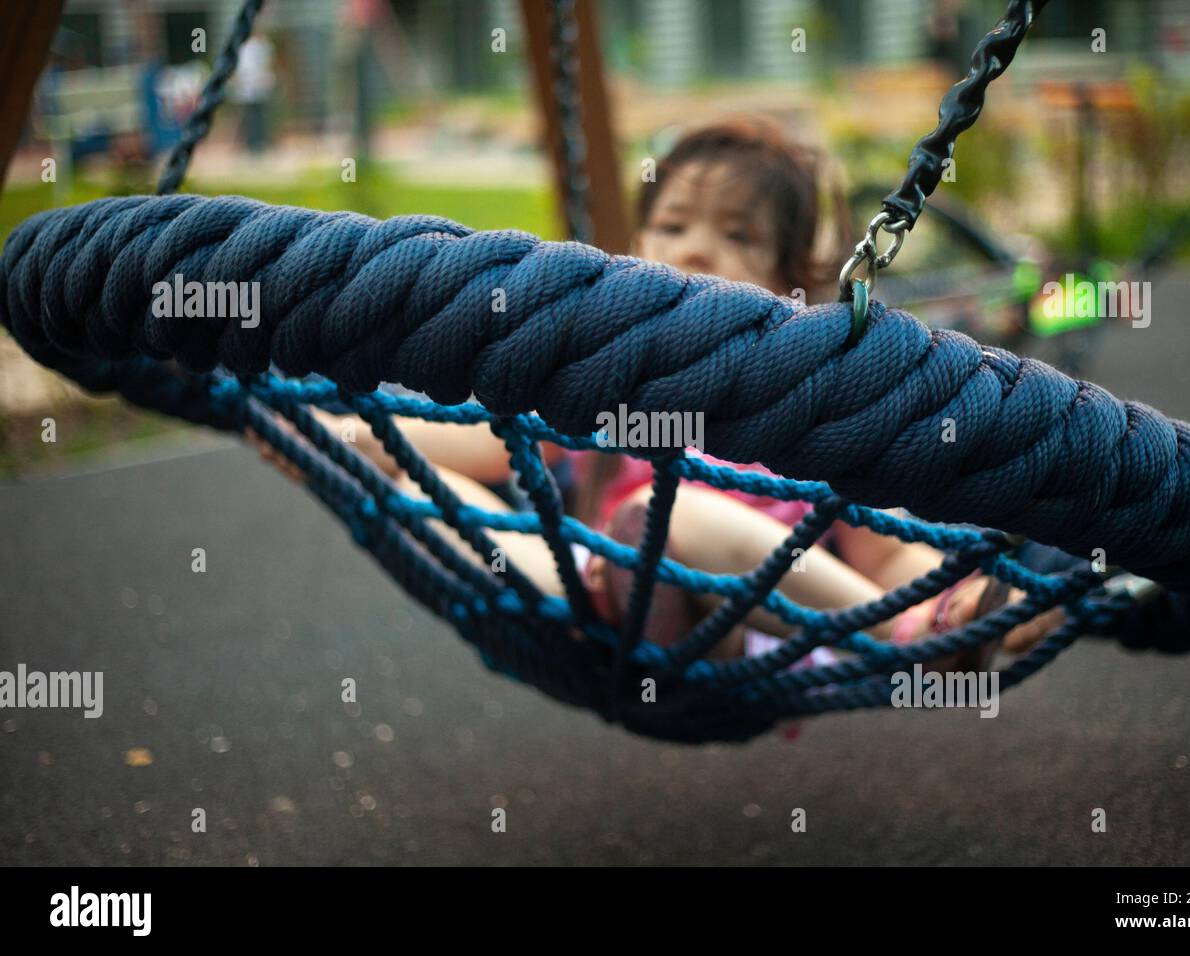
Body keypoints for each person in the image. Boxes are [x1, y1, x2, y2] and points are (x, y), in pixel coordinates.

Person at [248, 116, 1059, 679]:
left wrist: (964, 599)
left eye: (738, 236)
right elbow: (482, 448)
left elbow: (884, 549)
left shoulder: (799, 402)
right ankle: (325, 442)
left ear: (786, 289)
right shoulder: (607, 380)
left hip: (760, 632)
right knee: (420, 480)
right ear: (637, 247)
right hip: (602, 603)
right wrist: (345, 434)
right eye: (672, 225)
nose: (698, 246)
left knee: (683, 521)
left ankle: (924, 630)